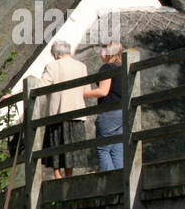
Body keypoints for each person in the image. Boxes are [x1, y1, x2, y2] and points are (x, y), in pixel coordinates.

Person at [39, 41, 89, 179]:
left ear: (55, 54)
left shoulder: (52, 66)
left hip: (58, 113)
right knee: (71, 149)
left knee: (56, 145)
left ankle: (57, 176)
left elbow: (40, 86)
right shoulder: (81, 66)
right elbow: (86, 90)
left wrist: (16, 94)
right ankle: (69, 176)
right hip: (77, 112)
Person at [84, 41, 125, 171]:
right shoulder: (123, 68)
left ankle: (108, 183)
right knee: (116, 148)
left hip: (109, 112)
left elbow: (103, 91)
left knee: (103, 149)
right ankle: (120, 181)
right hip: (121, 112)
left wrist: (83, 93)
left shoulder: (107, 68)